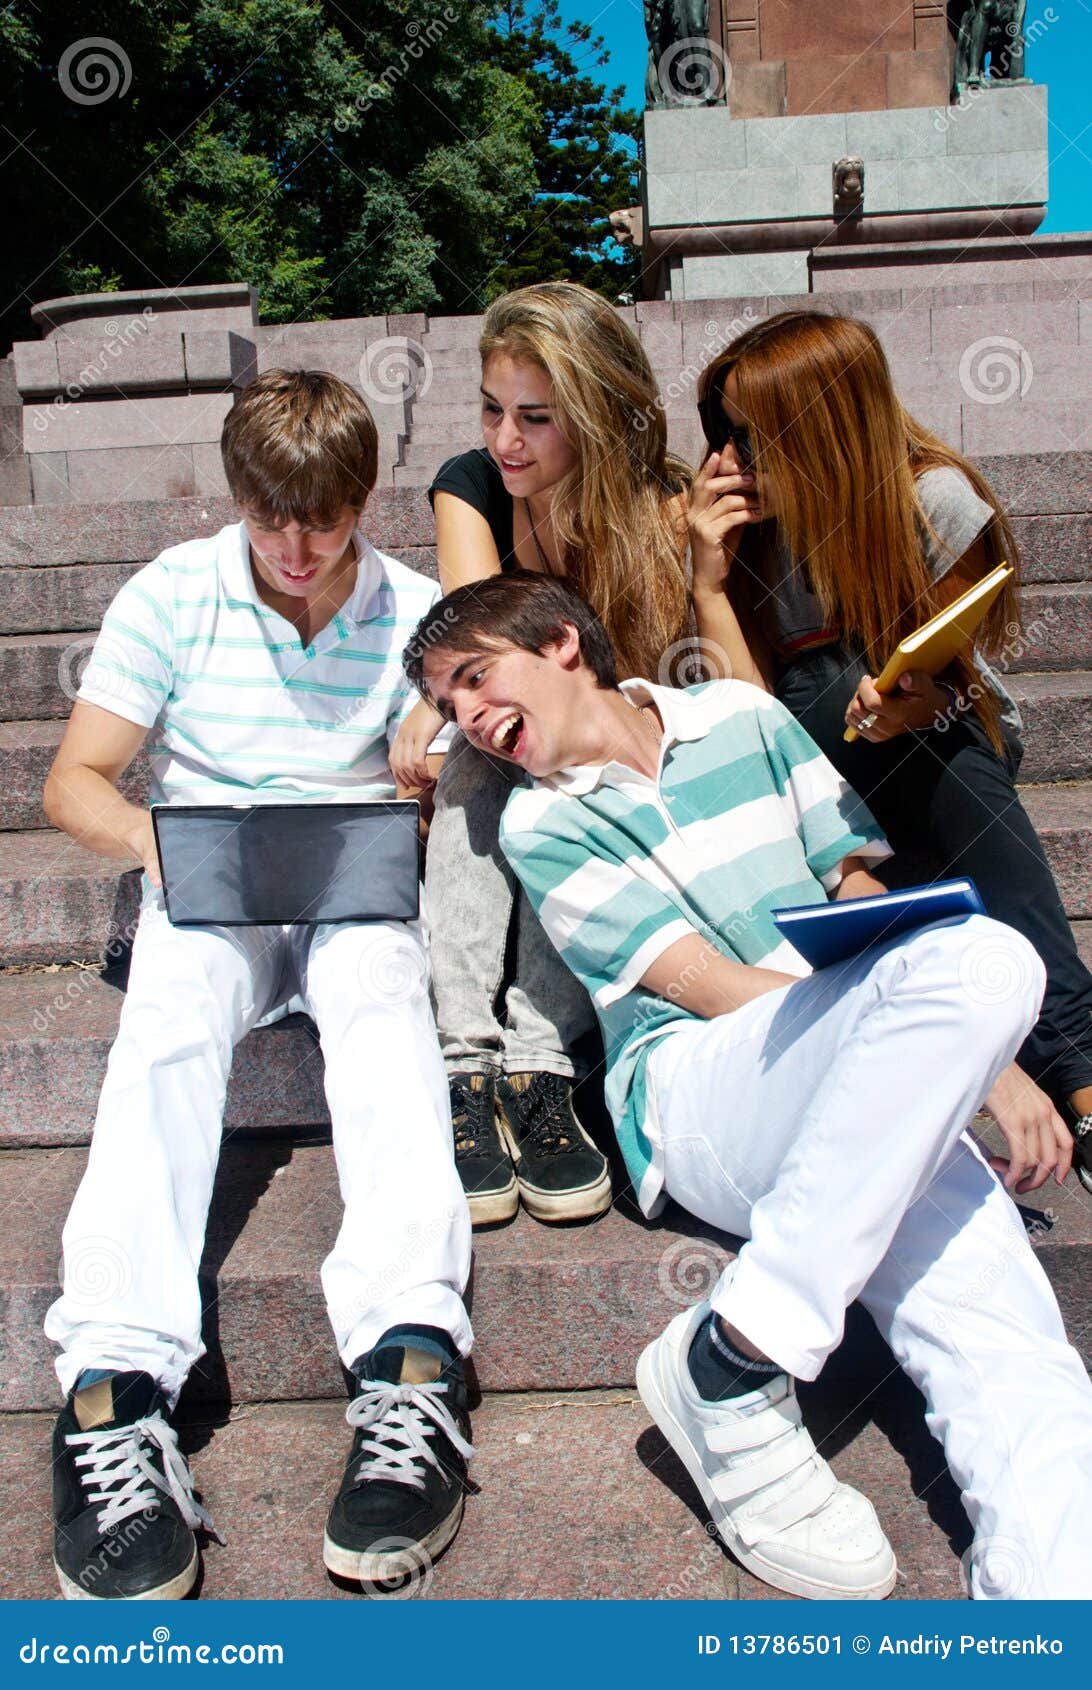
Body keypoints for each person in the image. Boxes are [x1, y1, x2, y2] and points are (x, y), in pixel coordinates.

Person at [405, 570, 1092, 1601]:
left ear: (557, 643)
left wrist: (963, 1055)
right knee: (986, 965)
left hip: (860, 1072)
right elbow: (704, 983)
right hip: (701, 1090)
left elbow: (855, 882)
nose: (464, 715)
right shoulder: (539, 825)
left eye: (472, 676)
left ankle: (1047, 1609)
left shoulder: (741, 714)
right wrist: (941, 1039)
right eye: (447, 704)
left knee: (1009, 1341)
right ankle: (731, 1361)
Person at [42, 370, 473, 1601]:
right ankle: (116, 1380)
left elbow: (507, 741)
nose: (296, 547)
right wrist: (169, 849)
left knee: (386, 1003)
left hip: (352, 875)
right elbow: (78, 780)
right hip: (211, 880)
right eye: (271, 517)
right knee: (169, 1016)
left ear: (364, 498)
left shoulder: (421, 609)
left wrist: (437, 751)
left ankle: (410, 1357)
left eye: (325, 519)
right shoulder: (172, 592)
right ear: (238, 497)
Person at [687, 308, 1092, 1187]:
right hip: (810, 758)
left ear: (821, 427)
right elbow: (748, 727)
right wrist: (711, 583)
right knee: (825, 683)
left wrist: (914, 705)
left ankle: (1080, 1074)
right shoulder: (747, 529)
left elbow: (954, 677)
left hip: (940, 736)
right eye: (727, 436)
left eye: (756, 437)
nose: (736, 461)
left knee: (938, 756)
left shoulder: (935, 501)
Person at [390, 282, 692, 1227]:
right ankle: (468, 1066)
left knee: (553, 767)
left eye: (534, 417)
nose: (504, 440)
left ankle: (540, 1066)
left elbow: (631, 689)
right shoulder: (470, 485)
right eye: (491, 409)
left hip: (607, 743)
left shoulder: (659, 506)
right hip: (516, 738)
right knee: (492, 754)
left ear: (595, 417)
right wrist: (431, 709)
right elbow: (483, 657)